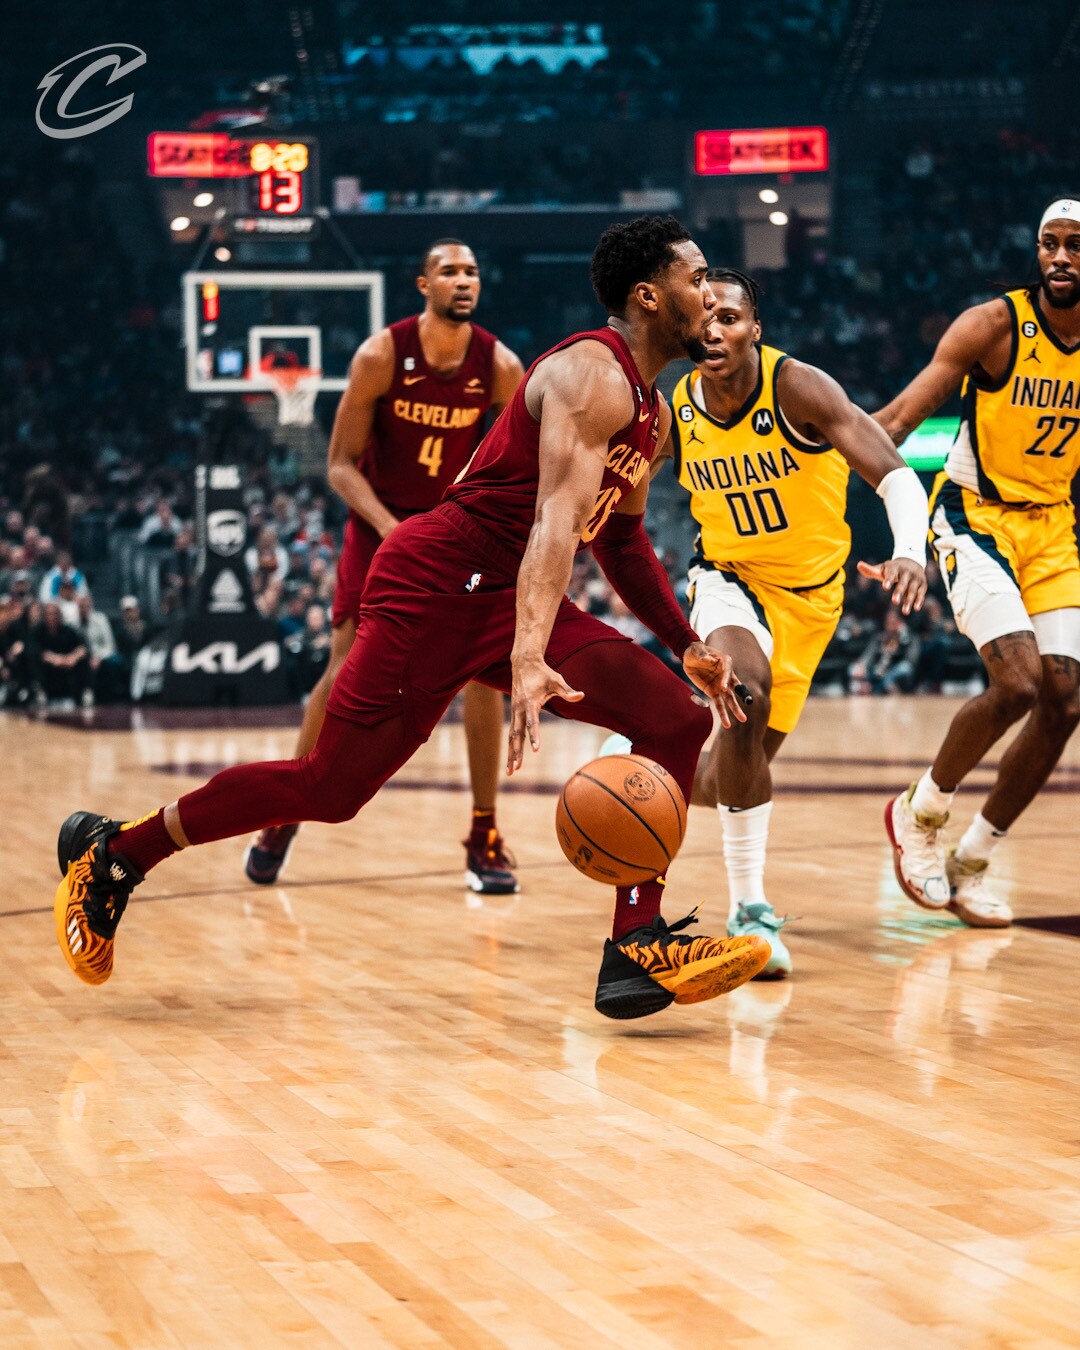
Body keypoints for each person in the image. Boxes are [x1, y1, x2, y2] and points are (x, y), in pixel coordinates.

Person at [53, 215, 772, 1018]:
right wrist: (530, 656)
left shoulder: (652, 409)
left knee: (673, 718)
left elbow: (625, 539)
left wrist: (684, 644)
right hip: (436, 580)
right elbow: (553, 527)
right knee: (329, 789)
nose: (710, 292)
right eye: (697, 276)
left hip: (507, 591)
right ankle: (117, 854)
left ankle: (636, 948)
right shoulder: (589, 377)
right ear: (649, 294)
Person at [646, 269, 927, 977]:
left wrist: (910, 553)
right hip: (727, 580)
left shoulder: (798, 386)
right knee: (743, 692)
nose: (715, 329)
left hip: (811, 599)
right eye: (704, 316)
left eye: (731, 317)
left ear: (755, 330)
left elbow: (893, 473)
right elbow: (620, 476)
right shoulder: (674, 405)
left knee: (730, 775)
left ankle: (644, 772)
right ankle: (751, 912)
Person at [243, 238, 528, 895]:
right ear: (422, 284)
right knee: (344, 664)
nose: (464, 280)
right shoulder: (381, 356)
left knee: (484, 674)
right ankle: (285, 812)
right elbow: (339, 464)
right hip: (381, 524)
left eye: (473, 271)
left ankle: (485, 831)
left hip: (454, 533)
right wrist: (393, 529)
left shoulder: (501, 366)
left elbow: (520, 453)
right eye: (450, 271)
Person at [875, 197, 1080, 928]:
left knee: (1065, 700)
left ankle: (973, 859)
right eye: (1049, 244)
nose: (1060, 258)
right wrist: (827, 457)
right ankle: (919, 813)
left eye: (1075, 246)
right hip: (975, 518)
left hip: (1053, 527)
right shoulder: (995, 324)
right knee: (1020, 682)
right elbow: (901, 417)